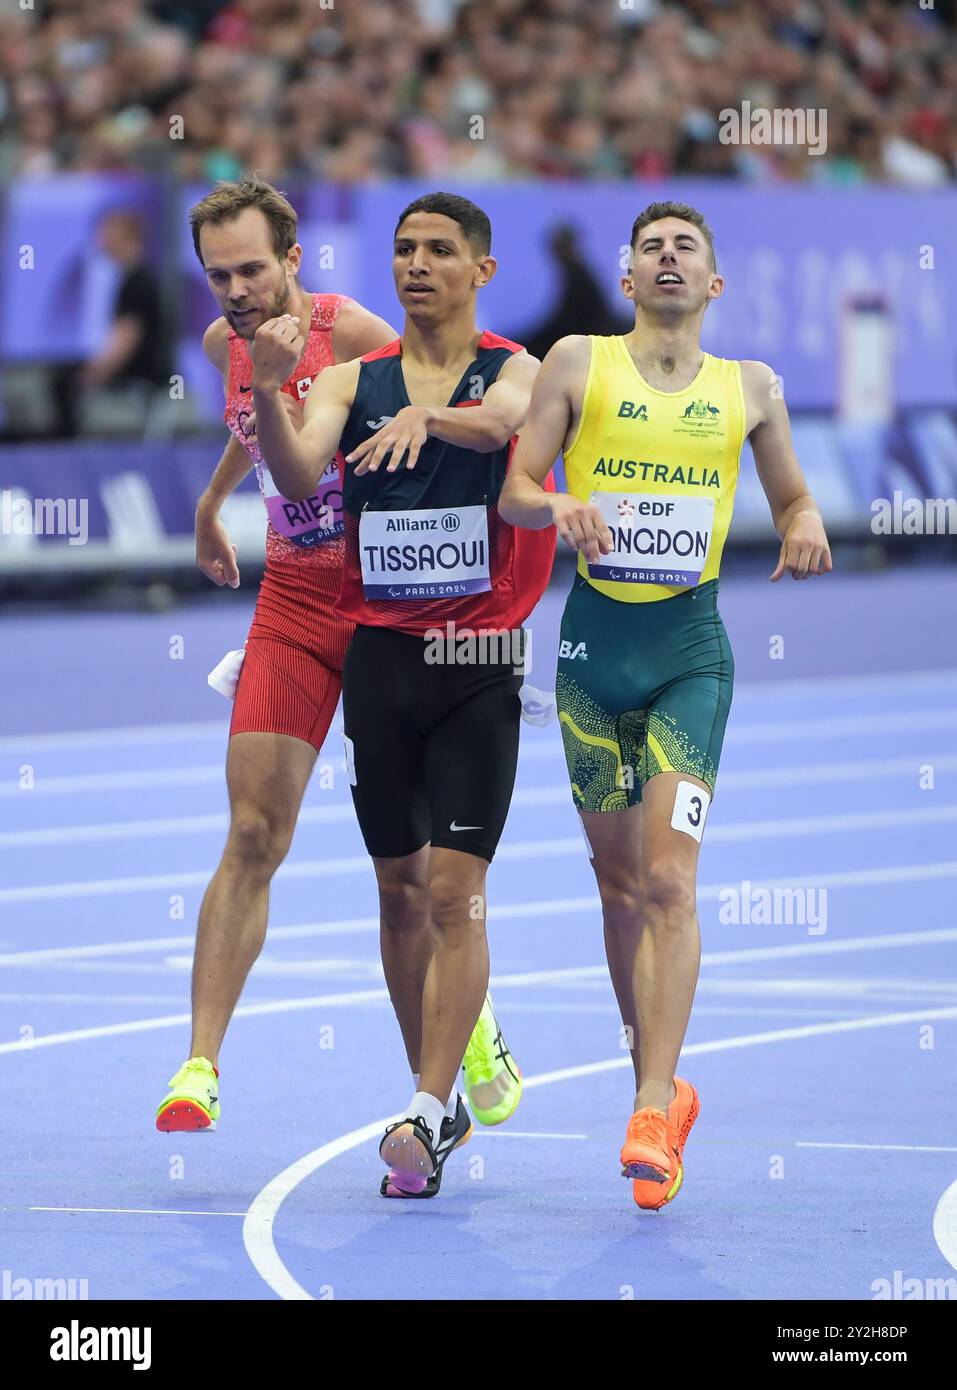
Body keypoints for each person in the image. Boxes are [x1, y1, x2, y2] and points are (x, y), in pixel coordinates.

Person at [156, 181, 525, 1197]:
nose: (234, 291)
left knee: (411, 882)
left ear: (294, 261)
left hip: (376, 610)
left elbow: (429, 392)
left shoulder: (354, 327)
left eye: (252, 270)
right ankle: (201, 1062)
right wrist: (211, 500)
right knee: (252, 831)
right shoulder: (227, 343)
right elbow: (253, 421)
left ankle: (469, 1032)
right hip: (289, 606)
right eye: (217, 275)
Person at [499, 200, 832, 1210]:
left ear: (714, 282)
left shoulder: (752, 388)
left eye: (688, 246)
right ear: (629, 278)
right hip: (594, 657)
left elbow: (795, 499)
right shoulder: (576, 362)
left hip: (691, 656)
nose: (670, 258)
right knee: (617, 887)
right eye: (653, 248)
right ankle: (661, 1078)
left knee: (669, 883)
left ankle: (649, 1104)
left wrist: (806, 527)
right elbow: (515, 486)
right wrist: (553, 501)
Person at [251, 191, 556, 1195]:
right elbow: (299, 474)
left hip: (474, 664)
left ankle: (427, 1111)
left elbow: (501, 429)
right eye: (402, 250)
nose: (416, 265)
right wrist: (265, 385)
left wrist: (431, 415)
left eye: (438, 251)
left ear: (482, 270)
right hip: (379, 660)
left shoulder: (516, 368)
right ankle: (441, 1091)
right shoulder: (350, 379)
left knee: (456, 891)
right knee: (397, 891)